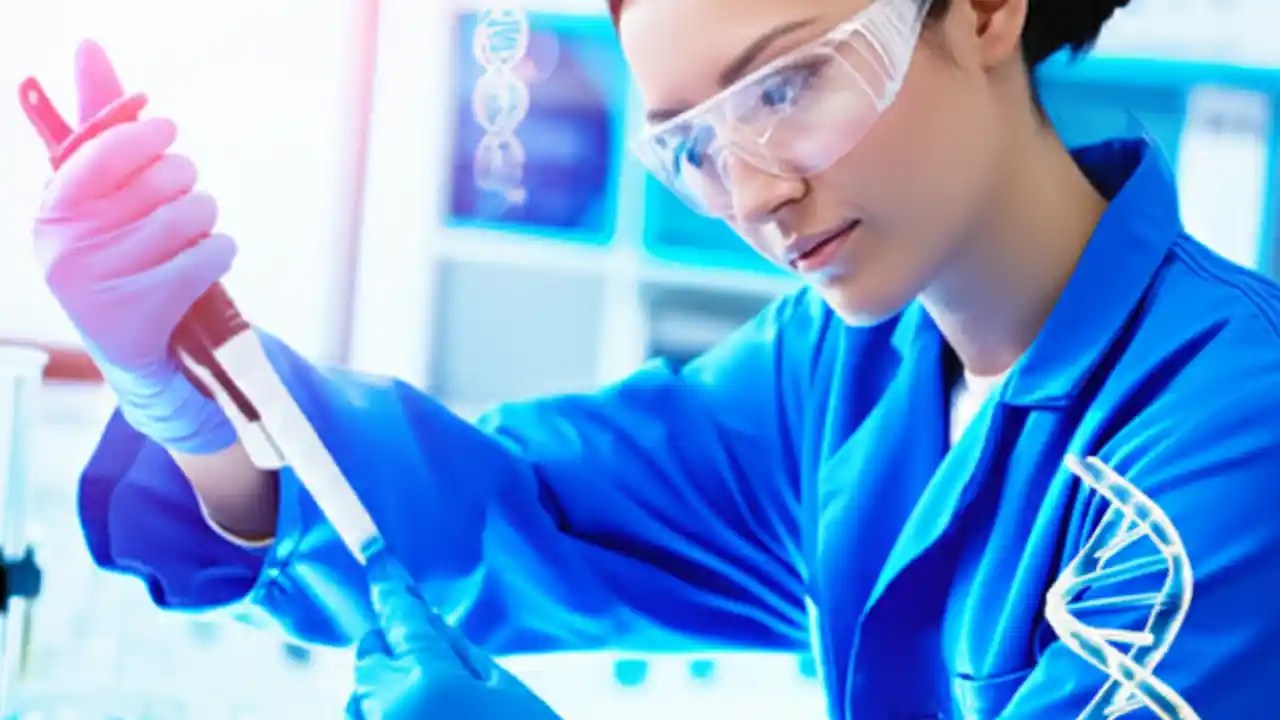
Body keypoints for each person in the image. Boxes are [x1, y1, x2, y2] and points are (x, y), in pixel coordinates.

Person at [29, 0, 1280, 715]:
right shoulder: (842, 378)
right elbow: (513, 516)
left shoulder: (1231, 431)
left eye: (785, 88)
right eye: (692, 144)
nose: (752, 194)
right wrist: (199, 399)